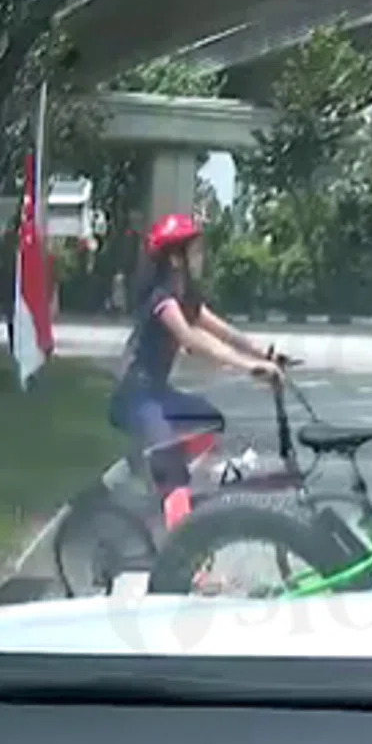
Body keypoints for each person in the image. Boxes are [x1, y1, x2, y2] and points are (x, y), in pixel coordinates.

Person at [109, 213, 282, 533]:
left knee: (209, 420)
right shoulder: (162, 300)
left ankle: (148, 475)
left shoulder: (184, 297)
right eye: (196, 250)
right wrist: (248, 367)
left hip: (156, 395)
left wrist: (265, 354)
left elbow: (225, 332)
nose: (201, 256)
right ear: (176, 258)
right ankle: (188, 560)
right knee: (174, 471)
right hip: (136, 398)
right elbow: (191, 338)